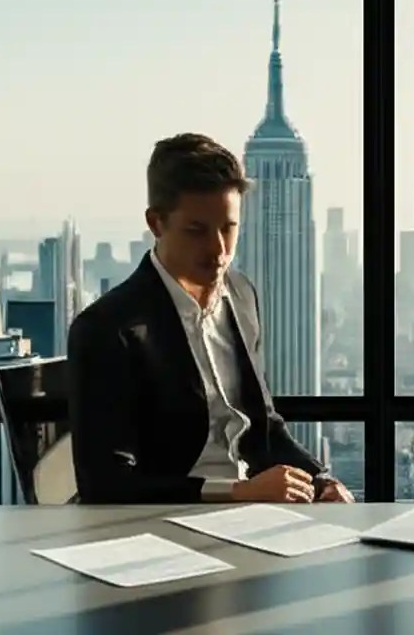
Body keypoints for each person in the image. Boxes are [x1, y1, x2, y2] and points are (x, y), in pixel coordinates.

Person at [66, 133, 354, 505]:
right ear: (156, 223)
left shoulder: (242, 296)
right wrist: (234, 493)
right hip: (163, 527)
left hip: (252, 511)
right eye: (197, 230)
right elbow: (106, 484)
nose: (219, 250)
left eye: (228, 228)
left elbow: (264, 428)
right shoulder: (107, 329)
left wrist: (321, 480)